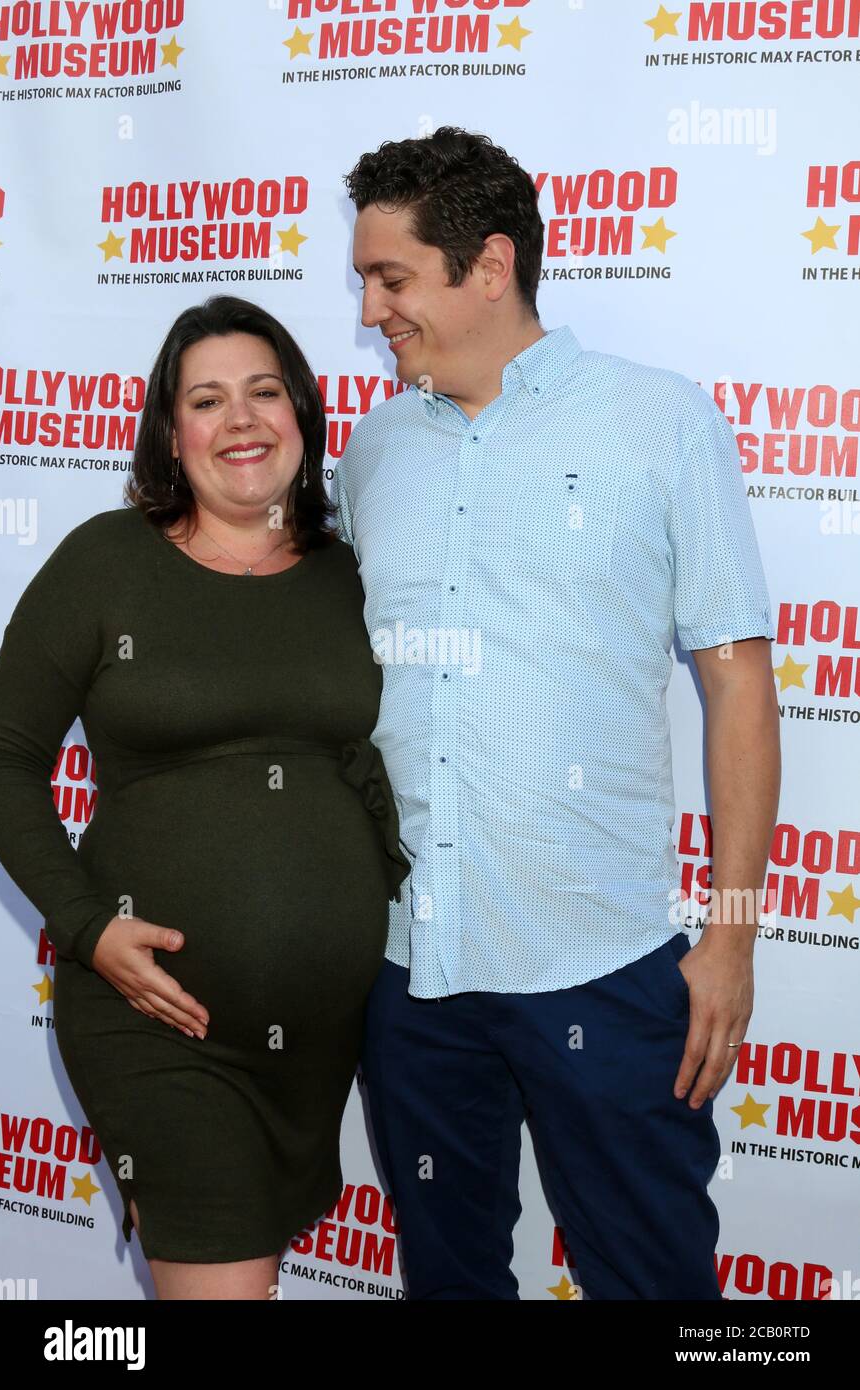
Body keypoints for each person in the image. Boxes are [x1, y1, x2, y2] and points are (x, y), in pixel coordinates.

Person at [335, 127, 781, 1300]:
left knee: (654, 1284)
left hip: (600, 961)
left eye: (390, 278)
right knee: (450, 1279)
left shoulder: (658, 422)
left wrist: (729, 934)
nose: (371, 307)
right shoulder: (372, 451)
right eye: (364, 280)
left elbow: (736, 680)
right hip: (409, 965)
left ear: (487, 266)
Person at [0, 295, 410, 1301]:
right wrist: (89, 928)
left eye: (265, 392)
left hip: (317, 1038)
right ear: (170, 433)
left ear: (303, 415)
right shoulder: (107, 562)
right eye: (208, 398)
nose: (241, 419)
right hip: (158, 1021)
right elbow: (4, 756)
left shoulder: (351, 574)